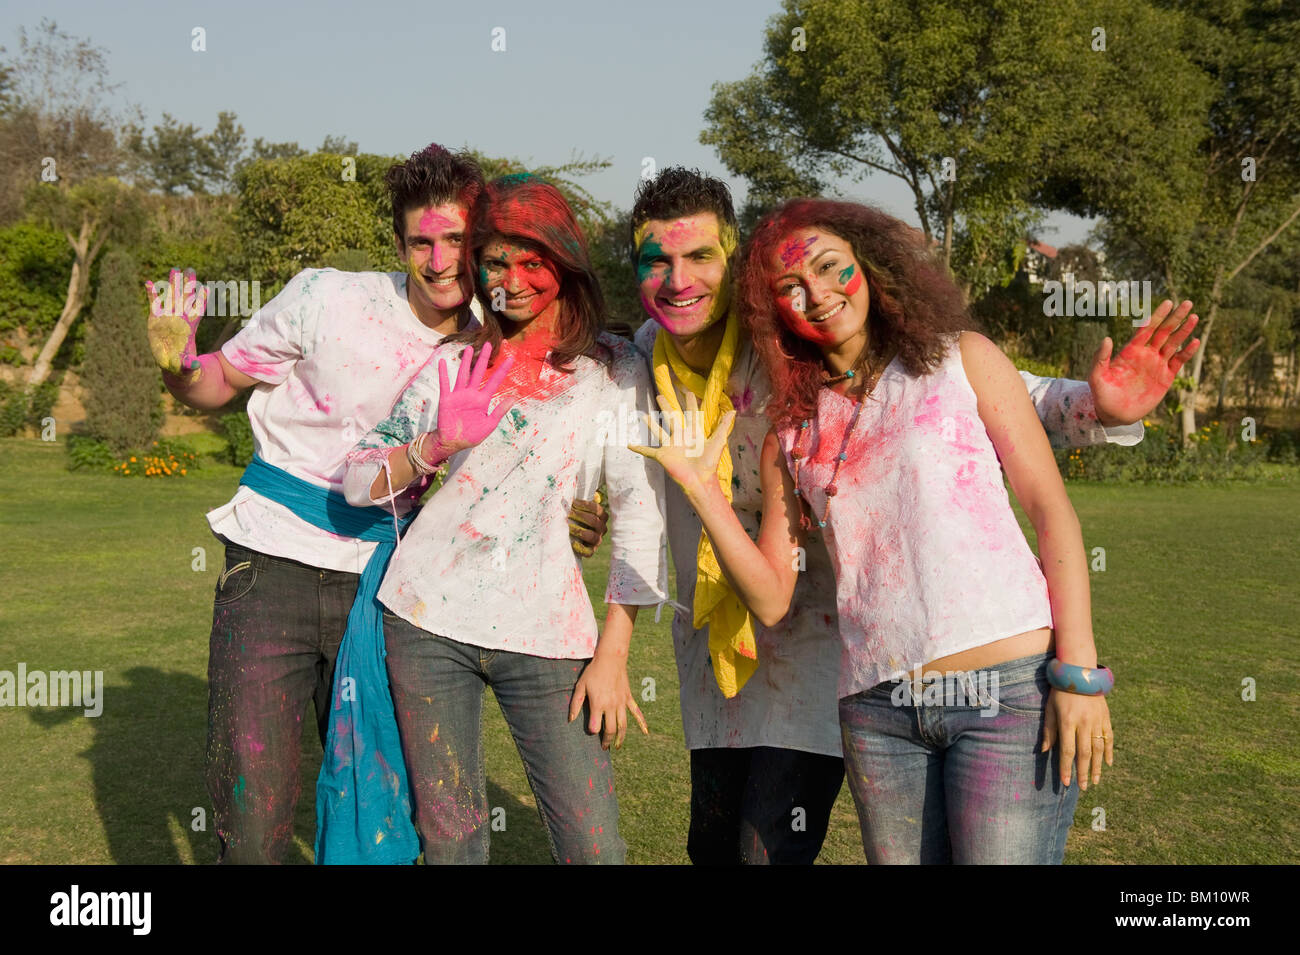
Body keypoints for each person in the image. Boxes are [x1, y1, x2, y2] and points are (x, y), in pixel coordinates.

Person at [631, 194, 1199, 864]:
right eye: (790, 286)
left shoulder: (960, 358)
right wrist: (704, 491)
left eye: (828, 266)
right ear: (770, 309)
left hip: (1005, 693)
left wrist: (1077, 674)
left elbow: (1051, 510)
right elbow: (773, 596)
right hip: (878, 713)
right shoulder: (790, 431)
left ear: (868, 264)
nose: (815, 293)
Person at [145, 143, 490, 864]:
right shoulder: (326, 296)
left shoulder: (491, 337)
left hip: (392, 585)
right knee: (253, 809)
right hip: (272, 565)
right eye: (421, 242)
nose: (438, 260)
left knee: (380, 805)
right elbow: (218, 382)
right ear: (399, 244)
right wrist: (178, 366)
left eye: (455, 239)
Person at [342, 175, 668, 864]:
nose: (512, 281)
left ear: (565, 260)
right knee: (453, 841)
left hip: (548, 630)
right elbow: (356, 480)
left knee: (593, 845)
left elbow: (640, 509)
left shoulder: (613, 369)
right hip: (426, 617)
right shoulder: (459, 362)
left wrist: (614, 655)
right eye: (495, 262)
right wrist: (434, 446)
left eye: (532, 261)